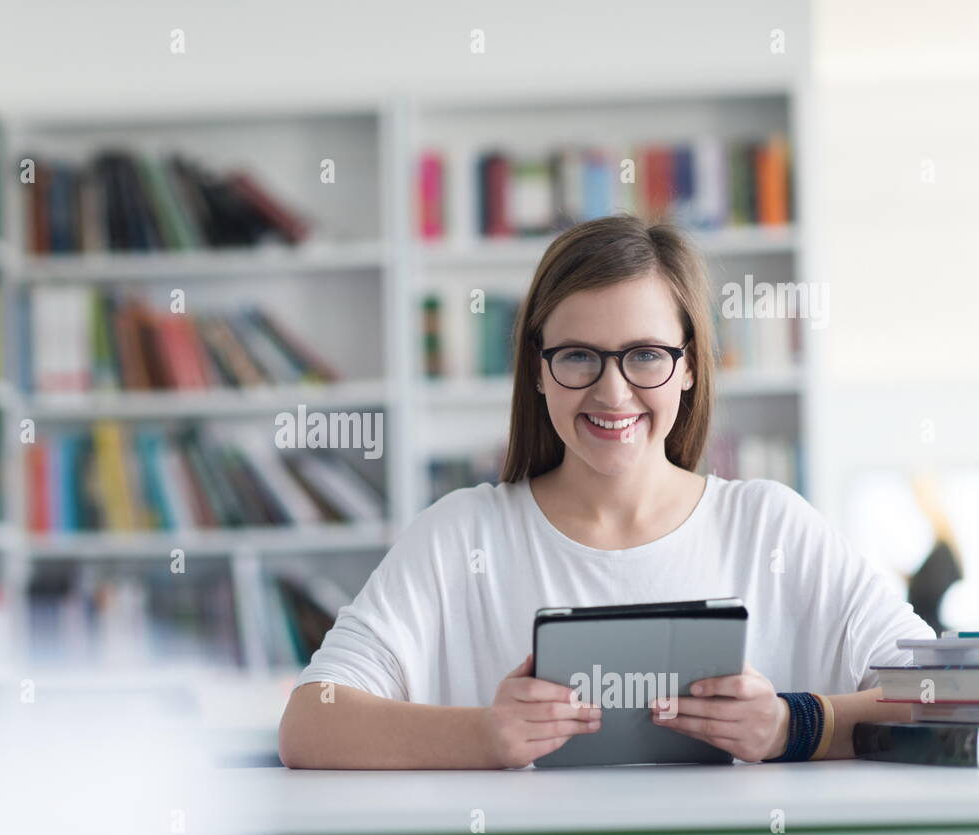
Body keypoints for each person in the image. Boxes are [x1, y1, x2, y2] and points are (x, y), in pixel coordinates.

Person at [278, 215, 929, 770]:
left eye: (646, 354)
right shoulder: (460, 535)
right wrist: (481, 733)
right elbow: (309, 722)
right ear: (539, 370)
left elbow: (939, 696)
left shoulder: (771, 527)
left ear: (691, 365)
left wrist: (793, 725)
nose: (612, 392)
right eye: (578, 356)